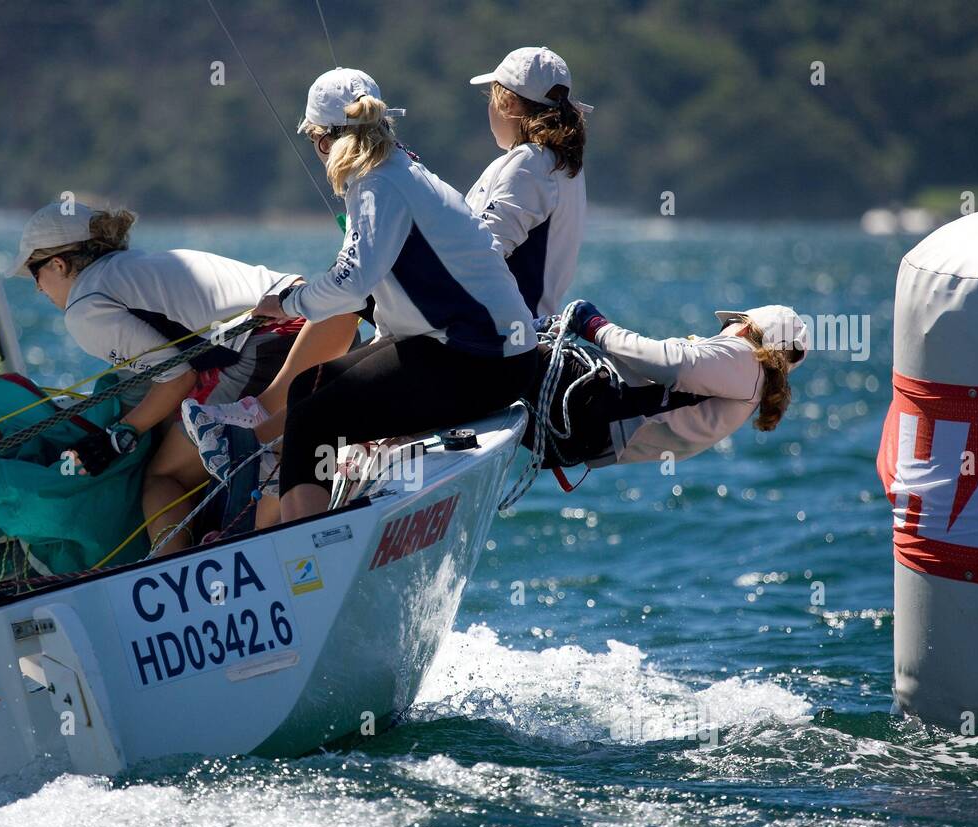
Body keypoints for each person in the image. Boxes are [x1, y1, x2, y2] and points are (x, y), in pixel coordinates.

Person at [244, 67, 539, 524]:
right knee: (306, 389)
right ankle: (305, 508)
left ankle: (303, 555)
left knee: (312, 421)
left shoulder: (377, 183)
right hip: (476, 350)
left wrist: (285, 303)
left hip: (484, 362)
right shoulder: (395, 167)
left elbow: (351, 284)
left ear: (325, 142)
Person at [6, 201, 356, 549]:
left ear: (58, 263)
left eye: (35, 273)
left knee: (163, 477)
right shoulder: (134, 264)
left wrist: (119, 435)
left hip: (268, 345)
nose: (37, 287)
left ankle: (176, 570)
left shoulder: (83, 306)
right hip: (325, 326)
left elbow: (178, 378)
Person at [525, 301, 809, 473]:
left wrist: (595, 326)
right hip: (580, 434)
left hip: (582, 401)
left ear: (746, 328)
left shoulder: (746, 361)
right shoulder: (747, 391)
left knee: (495, 350)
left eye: (734, 323)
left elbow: (672, 364)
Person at [467, 46, 590, 318]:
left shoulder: (529, 162)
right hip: (524, 329)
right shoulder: (562, 162)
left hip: (492, 337)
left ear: (507, 103)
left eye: (491, 97)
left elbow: (480, 255)